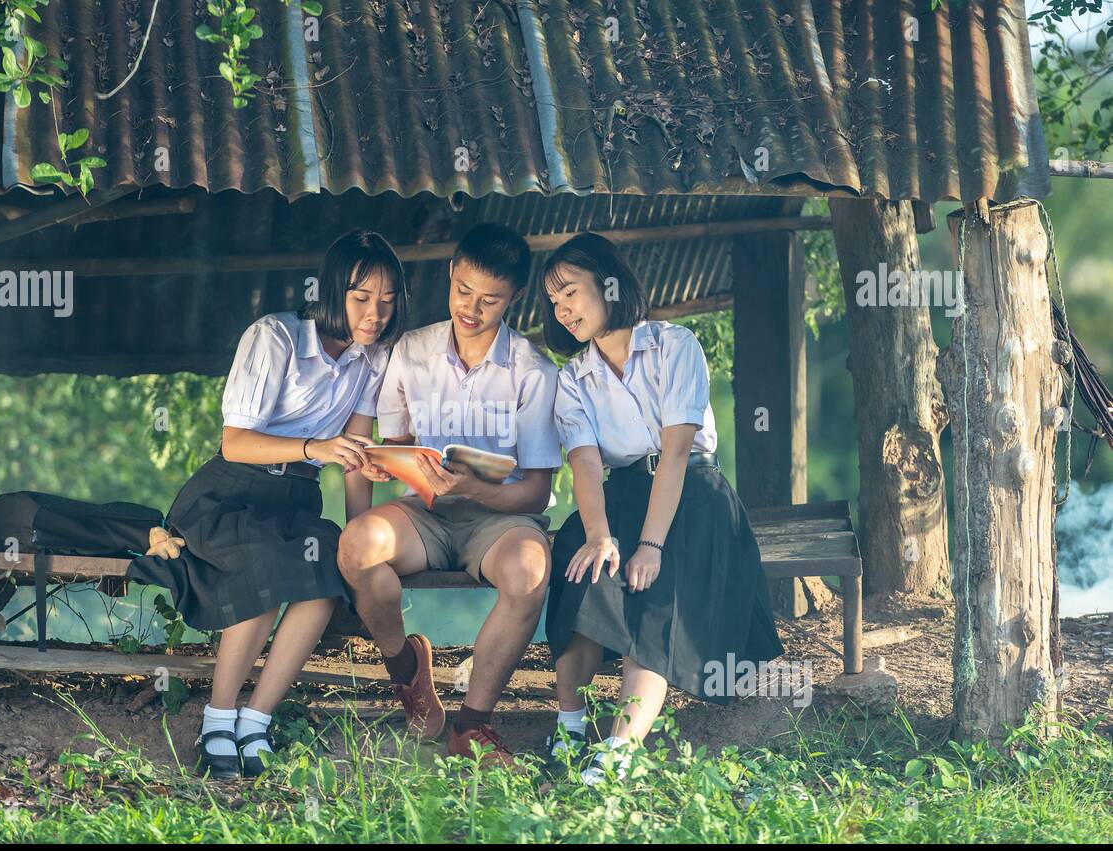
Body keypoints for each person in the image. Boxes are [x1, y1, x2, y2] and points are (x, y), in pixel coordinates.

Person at [128, 230, 407, 779]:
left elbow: (353, 456)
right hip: (229, 492)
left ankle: (256, 721)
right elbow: (235, 442)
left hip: (297, 500)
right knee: (267, 568)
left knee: (325, 573)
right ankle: (217, 716)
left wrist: (358, 539)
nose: (375, 313)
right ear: (332, 292)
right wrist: (313, 447)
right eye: (361, 298)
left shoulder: (373, 358)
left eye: (388, 300)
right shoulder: (275, 335)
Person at [539, 232, 784, 785]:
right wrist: (600, 536)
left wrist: (649, 546)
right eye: (554, 301)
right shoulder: (573, 378)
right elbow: (583, 465)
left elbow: (675, 454)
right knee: (584, 571)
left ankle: (617, 757)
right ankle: (570, 729)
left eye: (570, 292)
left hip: (693, 494)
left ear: (608, 284)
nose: (563, 309)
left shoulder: (676, 346)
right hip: (618, 496)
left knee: (656, 597)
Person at [337, 223, 561, 767]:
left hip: (500, 519)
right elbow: (396, 448)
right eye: (463, 291)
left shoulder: (533, 371)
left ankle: (472, 723)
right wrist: (398, 464)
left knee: (529, 575)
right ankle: (407, 672)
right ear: (450, 273)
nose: (471, 308)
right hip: (424, 512)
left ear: (515, 298)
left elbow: (534, 492)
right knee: (356, 544)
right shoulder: (409, 352)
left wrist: (475, 487)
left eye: (489, 300)